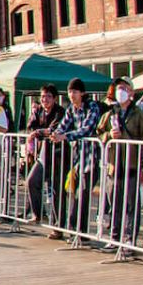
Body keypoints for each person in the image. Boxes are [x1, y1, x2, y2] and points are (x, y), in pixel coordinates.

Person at [96, 77, 143, 255]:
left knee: (131, 205)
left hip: (132, 166)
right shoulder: (111, 113)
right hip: (114, 165)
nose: (121, 91)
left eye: (125, 88)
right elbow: (99, 132)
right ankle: (115, 237)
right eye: (119, 88)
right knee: (114, 203)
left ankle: (129, 241)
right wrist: (109, 136)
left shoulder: (139, 114)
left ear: (132, 92)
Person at [49, 77, 103, 239]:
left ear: (83, 93)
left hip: (92, 157)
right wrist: (56, 134)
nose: (72, 95)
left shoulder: (91, 107)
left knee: (83, 194)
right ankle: (75, 230)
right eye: (70, 91)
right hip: (78, 158)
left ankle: (80, 231)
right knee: (74, 193)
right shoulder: (72, 109)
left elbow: (87, 129)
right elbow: (63, 125)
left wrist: (65, 136)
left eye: (75, 92)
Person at [23, 84, 65, 226]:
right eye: (42, 97)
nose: (44, 99)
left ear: (54, 98)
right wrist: (37, 132)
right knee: (31, 181)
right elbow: (30, 126)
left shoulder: (60, 112)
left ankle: (58, 225)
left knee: (55, 192)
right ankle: (38, 214)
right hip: (43, 154)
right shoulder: (39, 111)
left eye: (48, 96)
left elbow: (53, 129)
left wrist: (38, 133)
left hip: (59, 155)